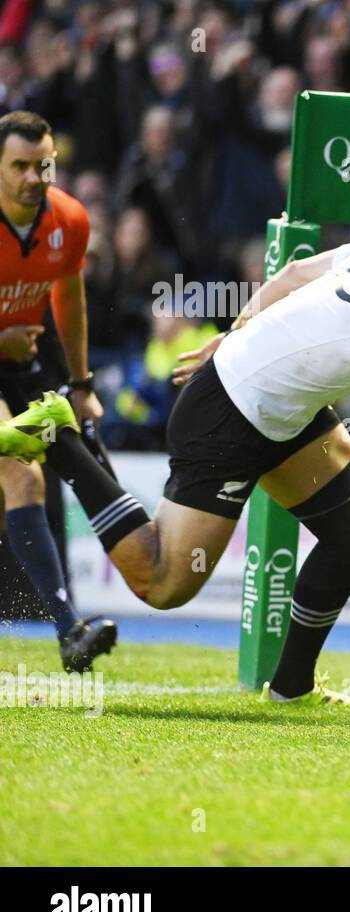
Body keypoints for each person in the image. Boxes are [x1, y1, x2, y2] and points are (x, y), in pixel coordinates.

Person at [0, 195, 350, 703]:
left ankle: (291, 688)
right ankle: (62, 438)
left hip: (277, 402)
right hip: (229, 413)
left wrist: (238, 332)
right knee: (162, 583)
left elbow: (297, 270)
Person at [0, 110, 115, 672]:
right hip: (8, 349)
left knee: (41, 474)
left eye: (41, 164)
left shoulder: (68, 218)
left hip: (25, 362)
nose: (31, 177)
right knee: (22, 471)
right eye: (18, 165)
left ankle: (70, 631)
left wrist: (81, 383)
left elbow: (69, 297)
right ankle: (69, 630)